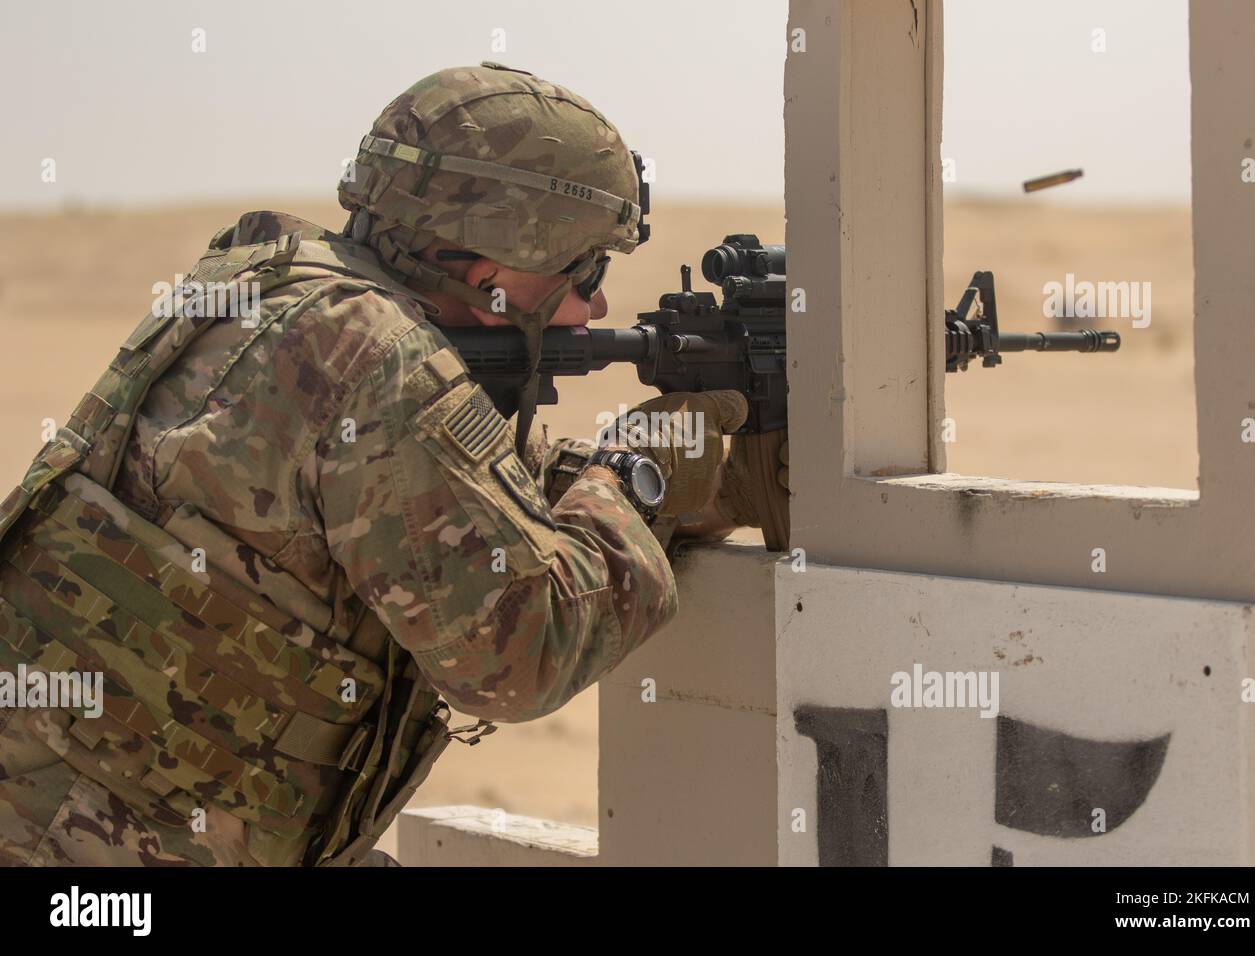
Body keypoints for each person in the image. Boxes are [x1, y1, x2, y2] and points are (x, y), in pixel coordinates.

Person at [0, 62, 762, 867]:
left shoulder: (270, 285)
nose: (596, 308)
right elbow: (521, 654)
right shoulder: (379, 359)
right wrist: (630, 484)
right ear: (489, 274)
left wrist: (642, 479)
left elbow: (415, 499)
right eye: (586, 273)